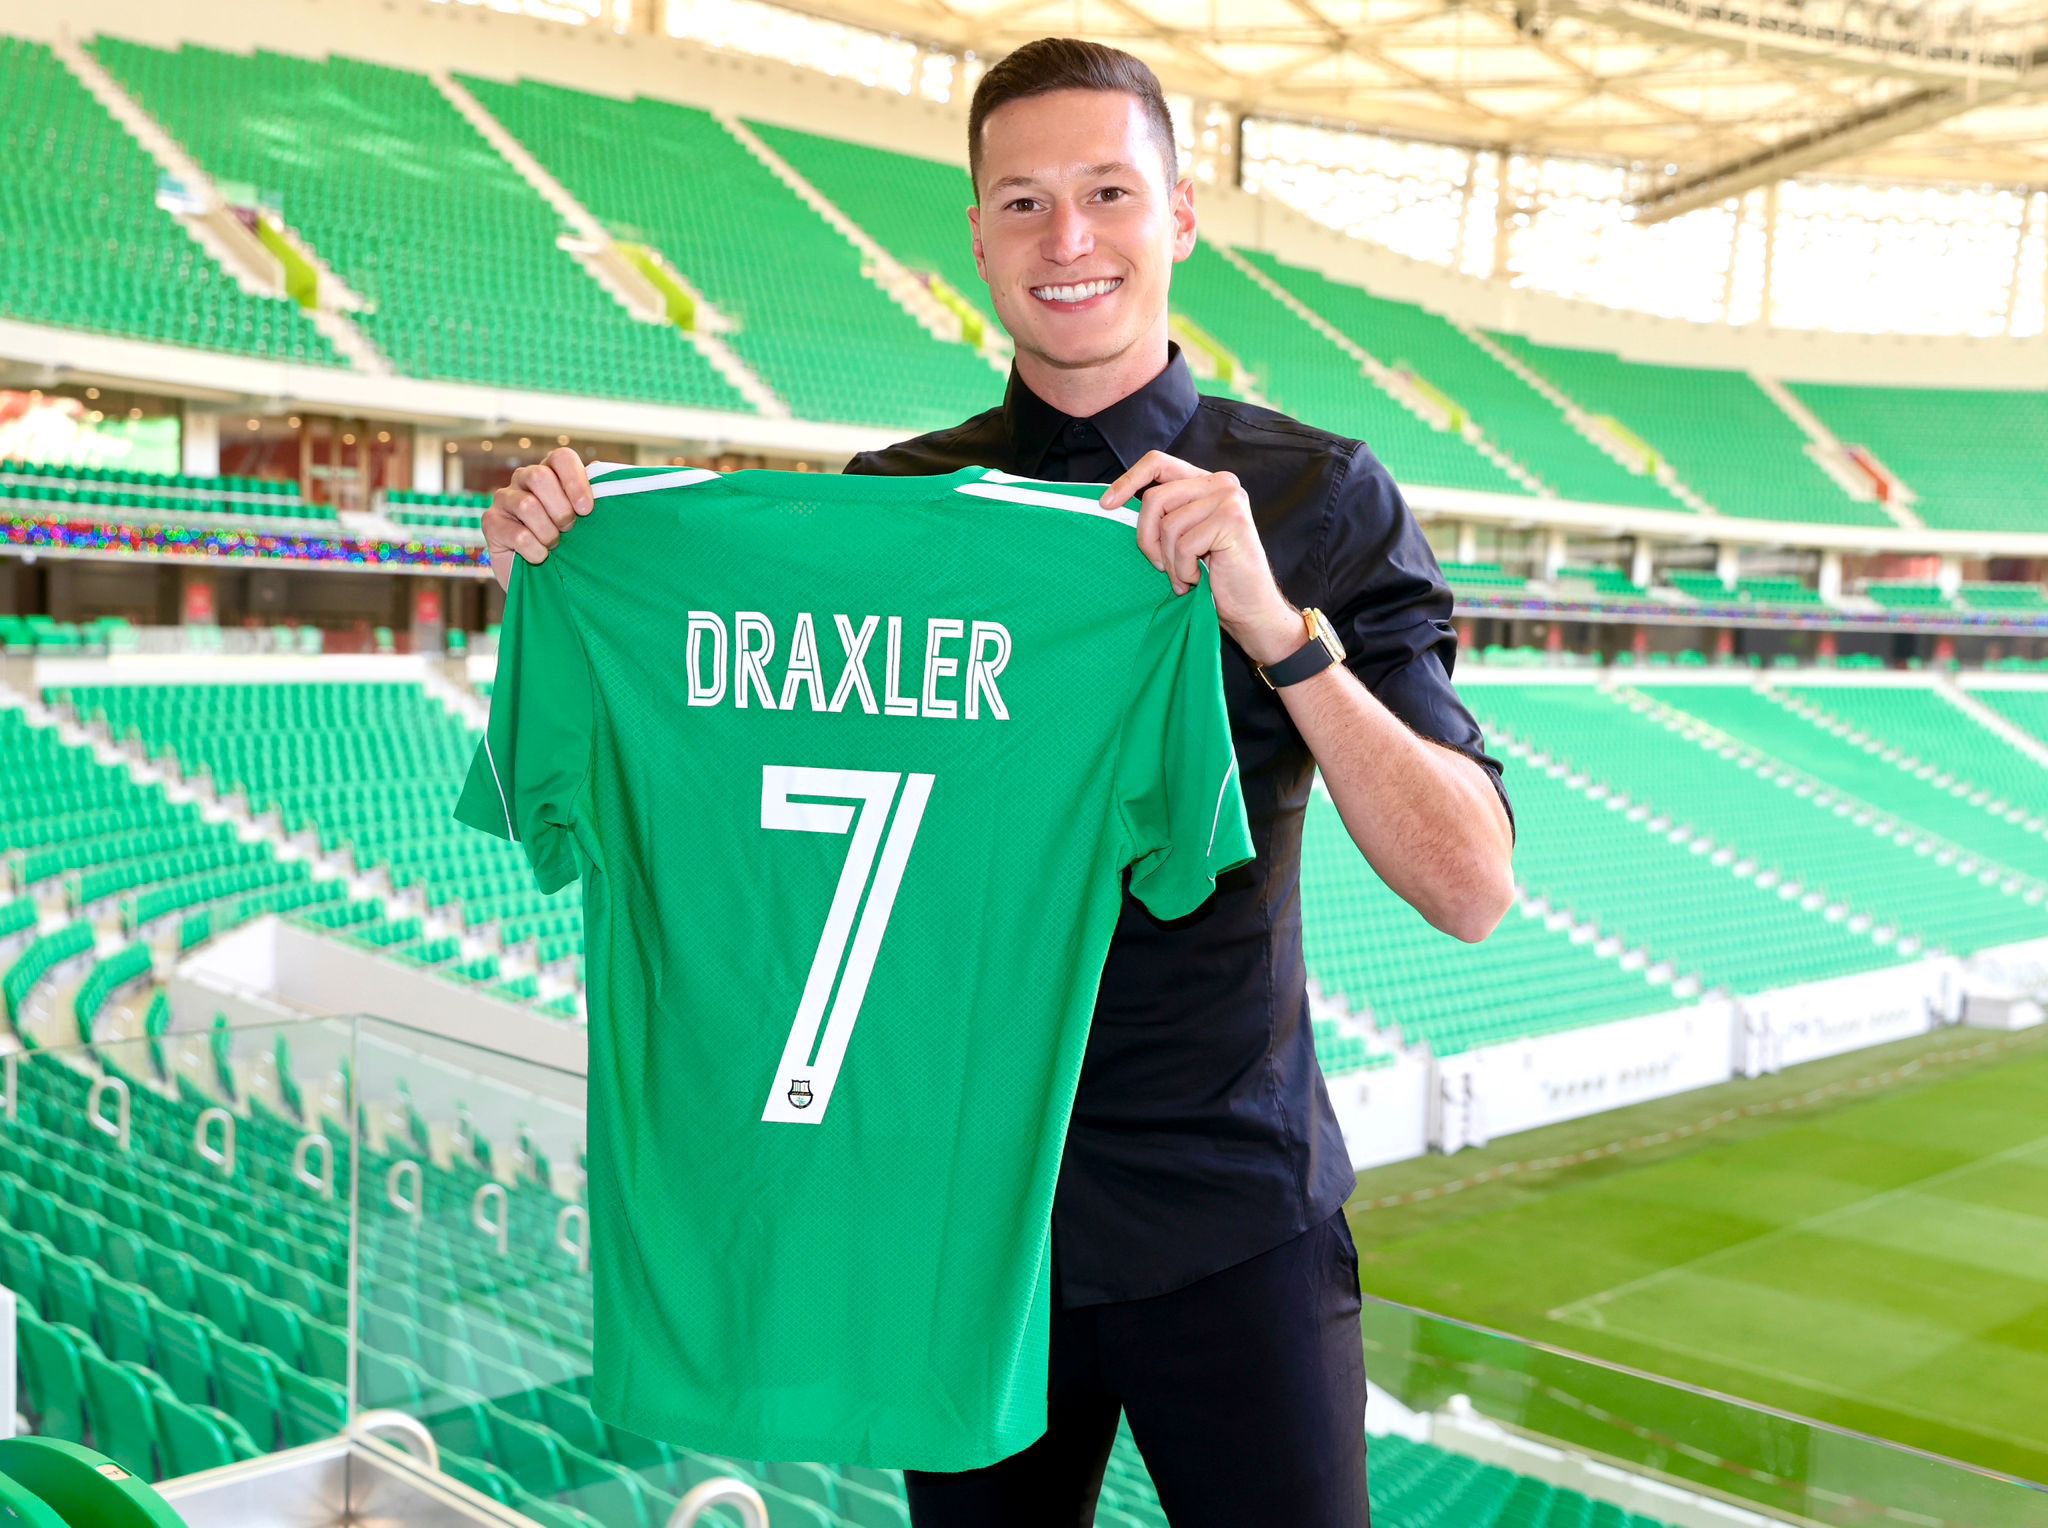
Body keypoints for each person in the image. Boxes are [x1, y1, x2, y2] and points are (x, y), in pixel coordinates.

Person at [483, 36, 1516, 1527]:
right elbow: (704, 811)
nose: (1069, 238)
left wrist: (1277, 631)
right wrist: (575, 561)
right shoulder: (888, 509)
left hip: (1232, 1215)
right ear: (974, 235)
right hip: (960, 1224)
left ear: (1180, 219)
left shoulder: (1314, 495)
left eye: (1108, 191)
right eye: (1022, 202)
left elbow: (1472, 885)